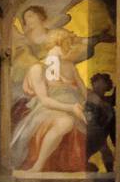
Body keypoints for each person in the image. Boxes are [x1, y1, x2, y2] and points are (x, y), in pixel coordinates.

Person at [10, 28, 89, 172]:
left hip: (77, 108)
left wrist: (84, 106)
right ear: (58, 43)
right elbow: (45, 100)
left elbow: (84, 93)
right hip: (49, 111)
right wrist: (71, 108)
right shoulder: (38, 68)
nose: (71, 48)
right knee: (66, 122)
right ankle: (38, 166)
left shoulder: (70, 66)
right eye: (68, 43)